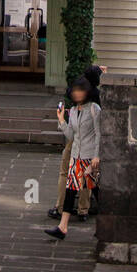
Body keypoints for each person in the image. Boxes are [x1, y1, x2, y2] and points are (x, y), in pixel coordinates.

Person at [47, 63, 106, 222]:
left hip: (79, 144)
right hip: (83, 144)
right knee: (85, 178)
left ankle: (61, 209)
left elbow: (94, 132)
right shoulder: (95, 98)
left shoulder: (87, 104)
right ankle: (82, 210)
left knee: (67, 174)